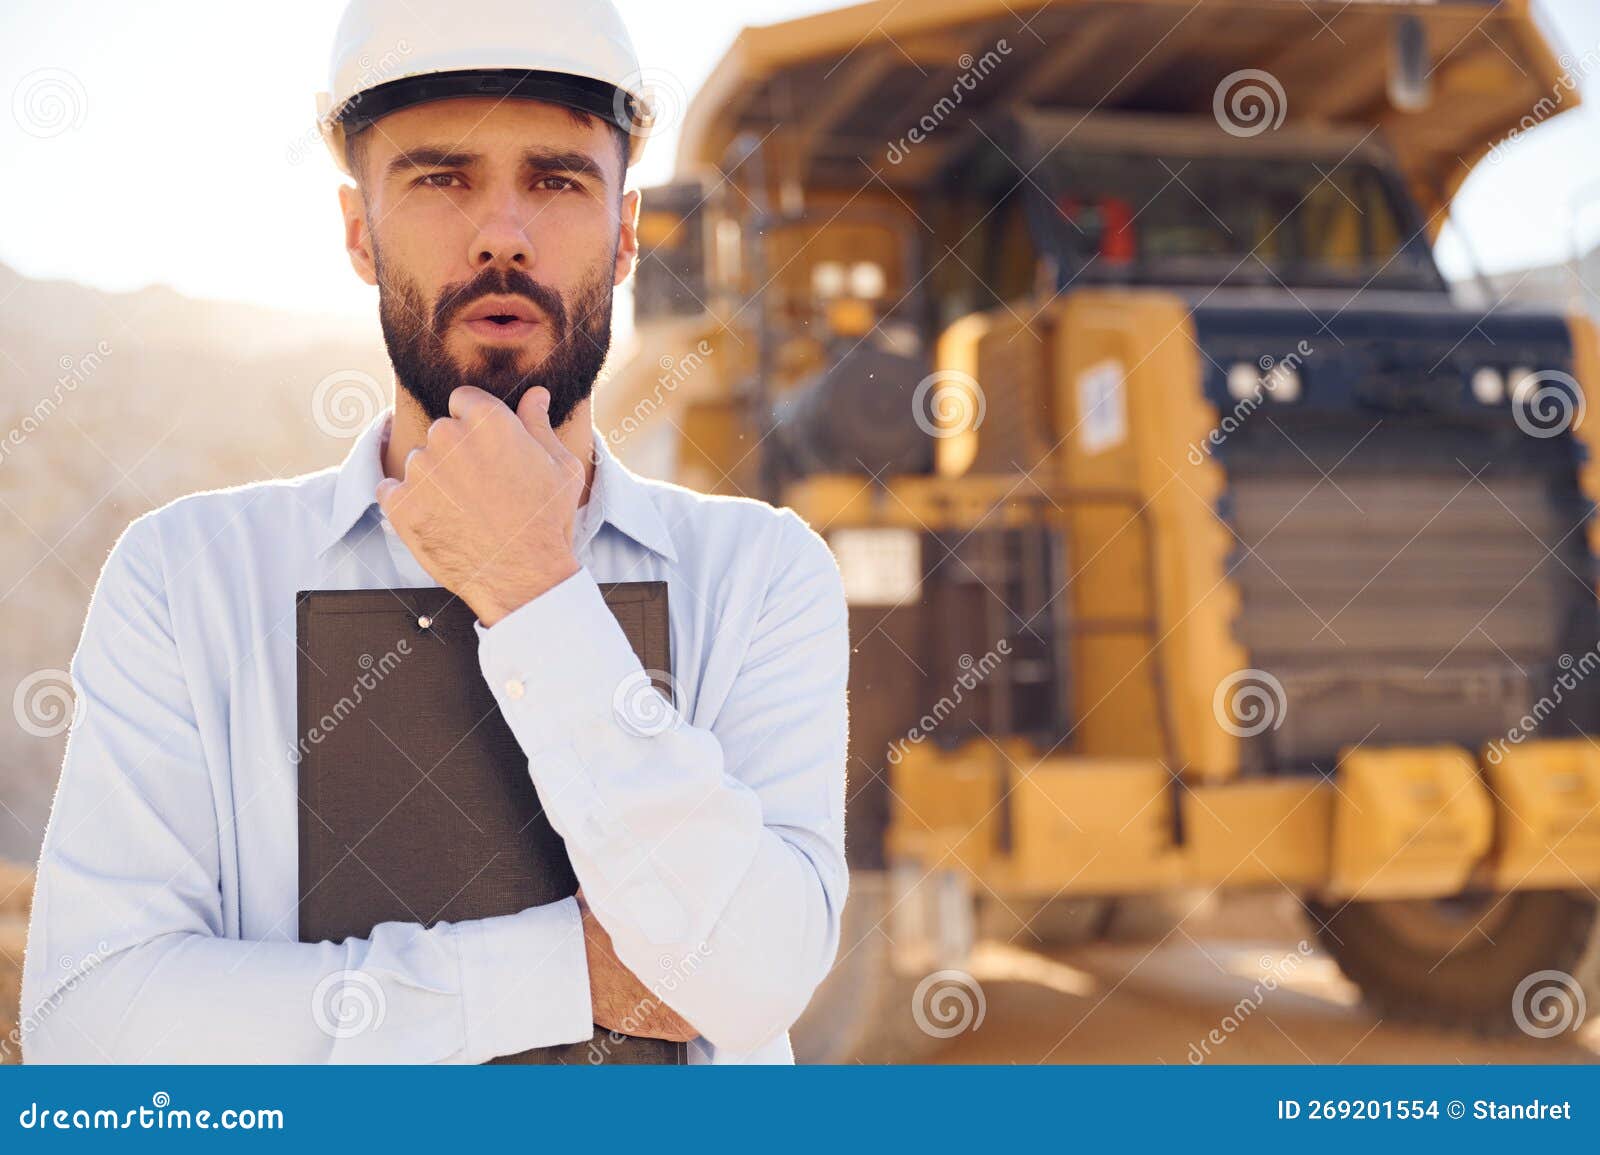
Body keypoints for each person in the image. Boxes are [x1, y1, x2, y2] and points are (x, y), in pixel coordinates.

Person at [20, 0, 849, 1065]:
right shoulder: (187, 578)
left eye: (555, 179)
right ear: (360, 233)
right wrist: (570, 977)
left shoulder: (761, 572)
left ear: (627, 234)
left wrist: (534, 588)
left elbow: (754, 979)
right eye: (440, 178)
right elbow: (92, 1031)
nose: (501, 232)